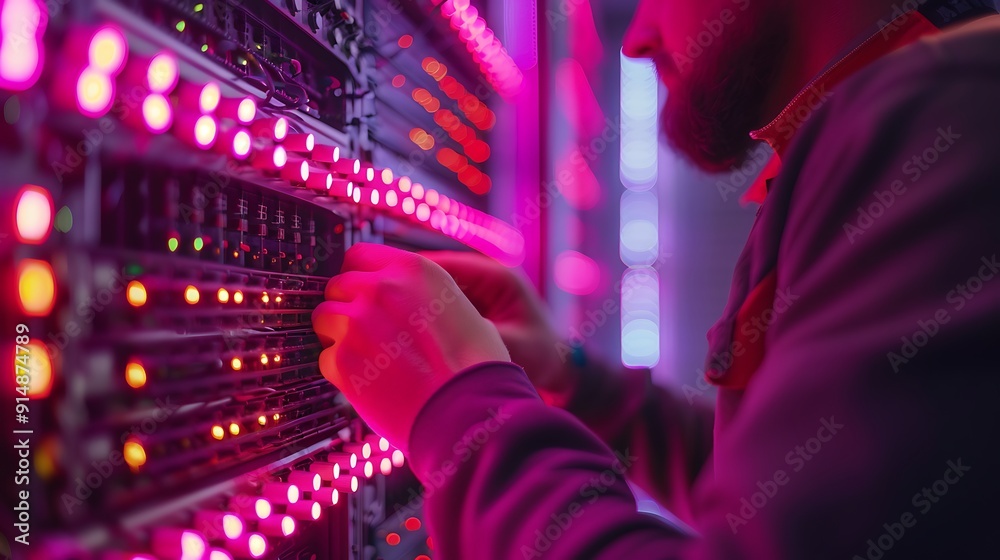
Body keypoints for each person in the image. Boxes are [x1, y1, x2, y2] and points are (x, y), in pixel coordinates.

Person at [312, 0, 1000, 557]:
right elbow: (786, 487)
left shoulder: (946, 124)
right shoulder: (891, 125)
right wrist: (573, 380)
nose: (634, 39)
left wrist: (463, 411)